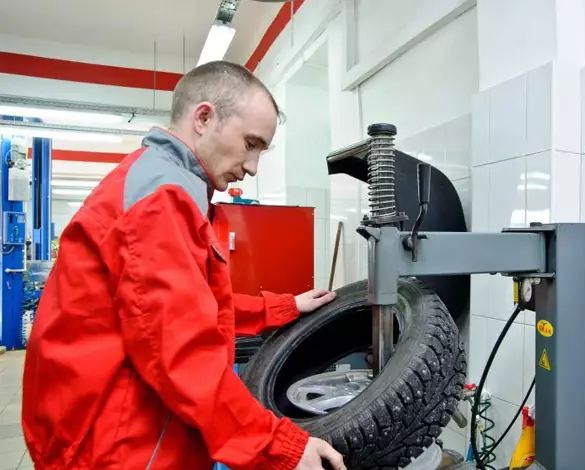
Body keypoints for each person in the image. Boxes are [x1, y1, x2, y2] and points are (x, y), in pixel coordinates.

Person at [22, 61, 346, 470]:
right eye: (250, 143)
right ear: (204, 117)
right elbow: (179, 349)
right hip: (118, 445)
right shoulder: (162, 197)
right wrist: (279, 446)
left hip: (121, 428)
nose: (252, 166)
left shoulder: (161, 184)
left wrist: (283, 308)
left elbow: (195, 308)